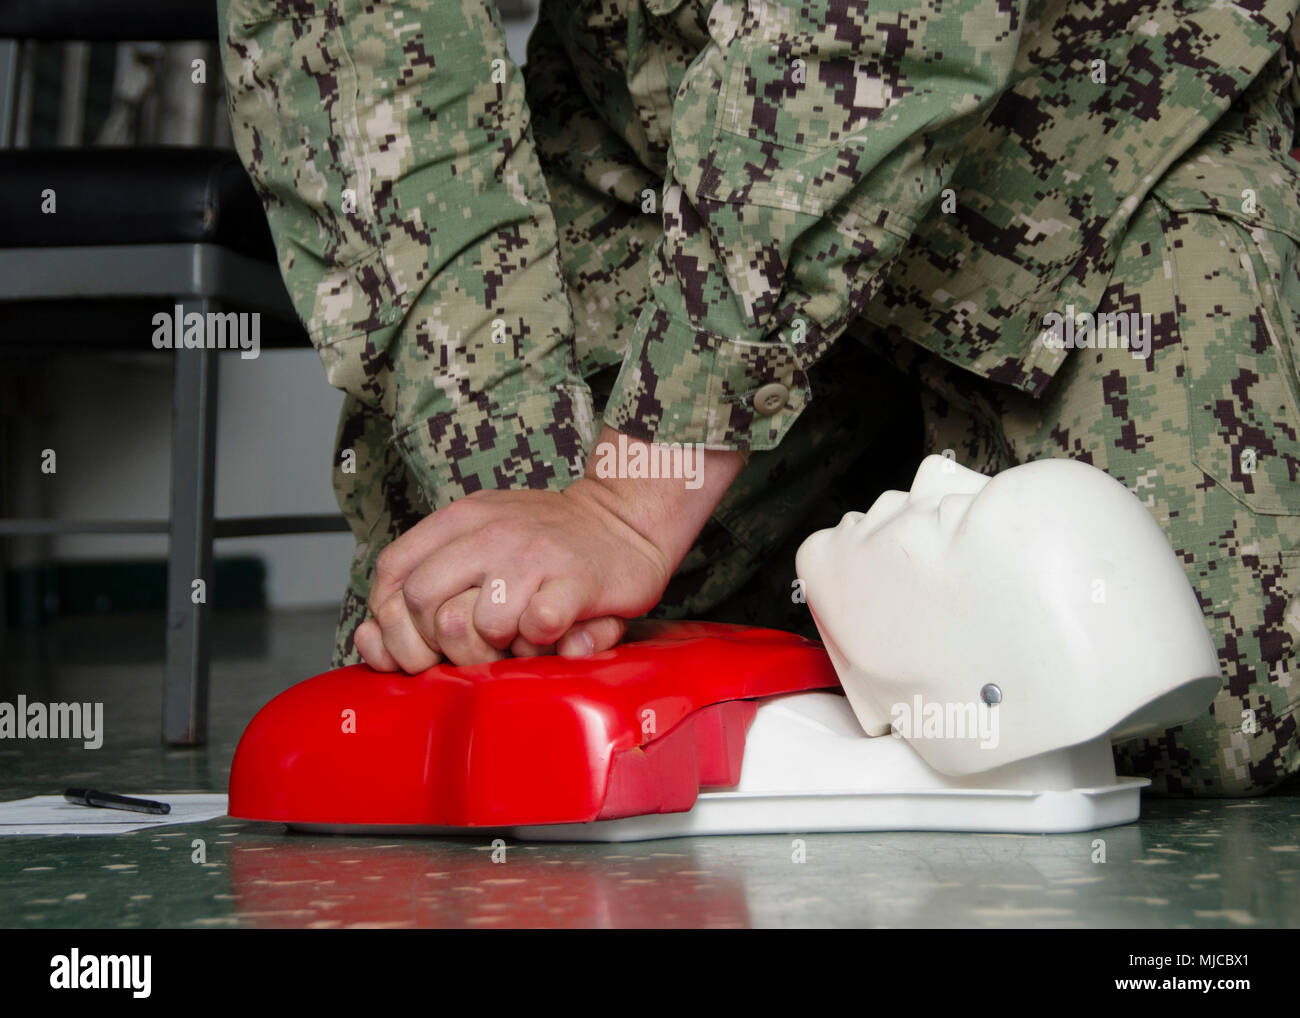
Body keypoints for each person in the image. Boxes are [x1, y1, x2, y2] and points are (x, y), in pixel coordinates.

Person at [219, 0, 1300, 795]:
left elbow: (902, 28)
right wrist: (529, 541)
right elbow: (356, 57)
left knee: (1172, 711)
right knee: (456, 723)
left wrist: (635, 495)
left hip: (1091, 120)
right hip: (663, 142)